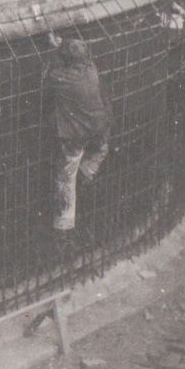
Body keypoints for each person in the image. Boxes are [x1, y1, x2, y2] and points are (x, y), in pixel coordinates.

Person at [44, 35, 113, 232]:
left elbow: (48, 76)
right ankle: (86, 173)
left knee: (65, 178)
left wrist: (53, 50)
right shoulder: (91, 69)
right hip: (99, 129)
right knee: (101, 150)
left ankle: (63, 226)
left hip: (76, 136)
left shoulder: (62, 78)